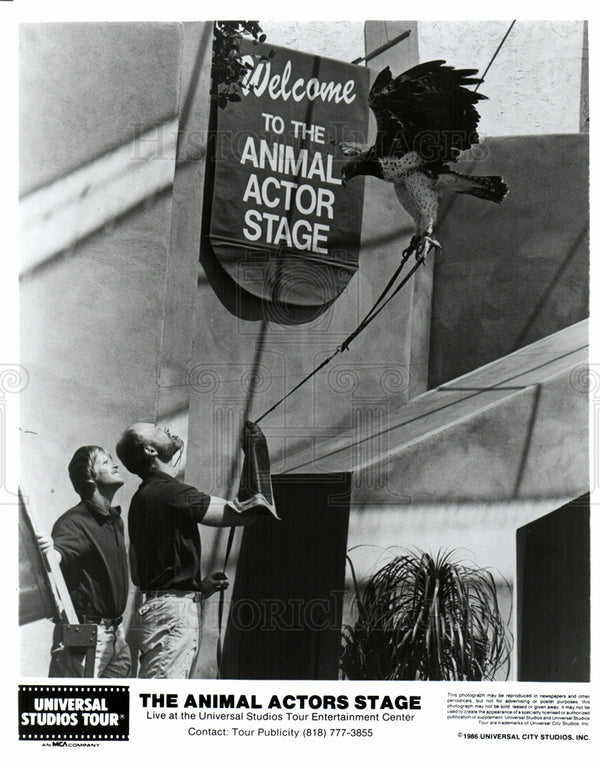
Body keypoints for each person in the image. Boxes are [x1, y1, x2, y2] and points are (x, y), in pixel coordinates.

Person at [115, 422, 256, 679]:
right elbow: (247, 514)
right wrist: (257, 452)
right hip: (172, 615)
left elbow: (139, 575)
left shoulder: (142, 498)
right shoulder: (172, 493)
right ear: (150, 450)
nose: (167, 430)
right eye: (157, 430)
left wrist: (194, 587)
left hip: (163, 610)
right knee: (160, 704)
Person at [37, 446, 131, 678]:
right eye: (106, 462)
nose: (115, 464)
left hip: (116, 637)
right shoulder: (74, 522)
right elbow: (56, 557)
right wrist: (48, 550)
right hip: (87, 639)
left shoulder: (115, 520)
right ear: (90, 477)